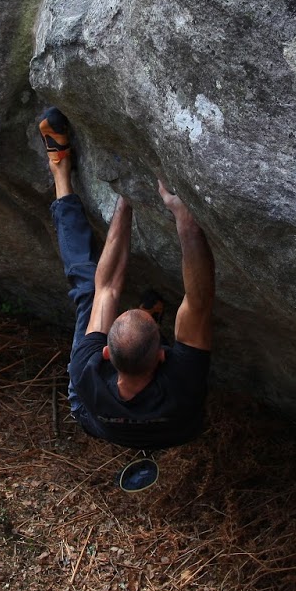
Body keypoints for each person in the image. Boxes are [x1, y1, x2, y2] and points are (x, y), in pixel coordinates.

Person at [40, 107, 215, 450]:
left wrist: (126, 198)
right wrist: (186, 219)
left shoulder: (89, 371)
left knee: (88, 289)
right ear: (163, 355)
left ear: (105, 352)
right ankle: (142, 332)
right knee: (93, 291)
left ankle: (60, 170)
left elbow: (107, 288)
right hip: (172, 423)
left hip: (94, 414)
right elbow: (199, 300)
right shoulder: (182, 380)